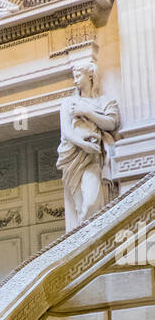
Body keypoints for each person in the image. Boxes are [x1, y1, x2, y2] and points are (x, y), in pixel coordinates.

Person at [57, 59, 121, 229]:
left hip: (93, 158)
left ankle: (94, 244)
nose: (75, 80)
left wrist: (86, 112)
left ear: (90, 75)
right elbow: (66, 132)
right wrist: (83, 144)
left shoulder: (104, 101)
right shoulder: (67, 104)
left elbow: (111, 123)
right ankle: (89, 248)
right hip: (73, 157)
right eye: (74, 76)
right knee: (79, 207)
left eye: (78, 75)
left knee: (92, 202)